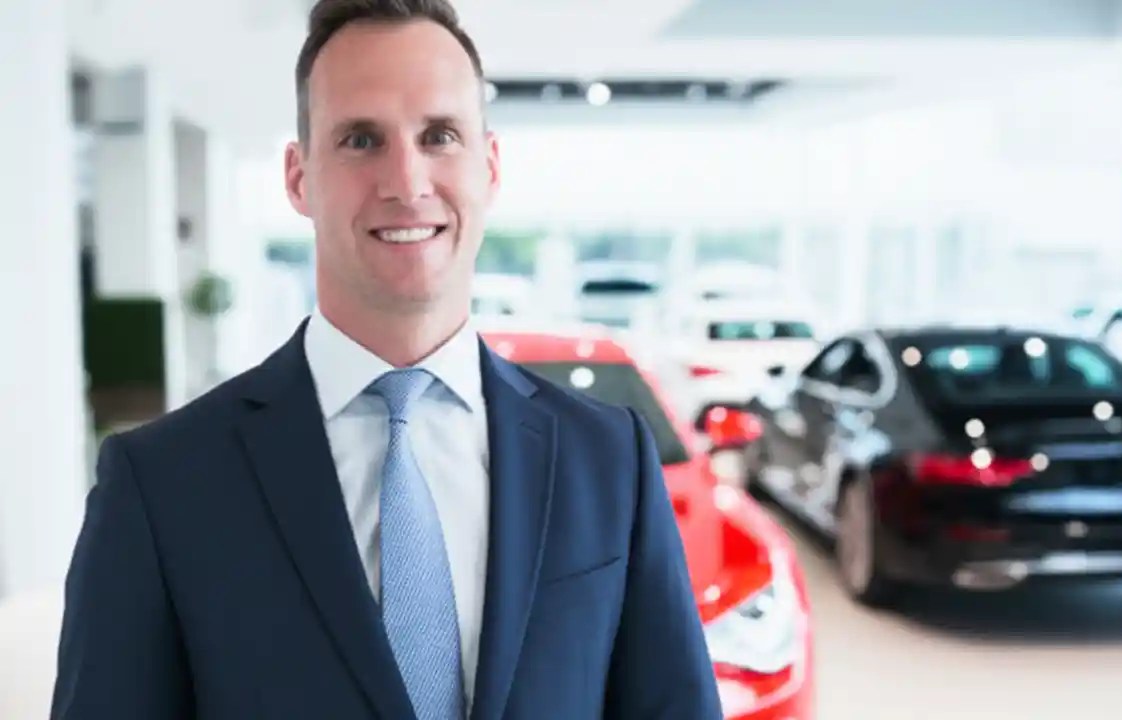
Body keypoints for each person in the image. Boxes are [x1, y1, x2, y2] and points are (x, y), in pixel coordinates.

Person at [50, 0, 723, 717]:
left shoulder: (608, 458)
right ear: (299, 176)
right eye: (361, 139)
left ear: (488, 167)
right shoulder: (161, 483)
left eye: (439, 135)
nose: (407, 182)